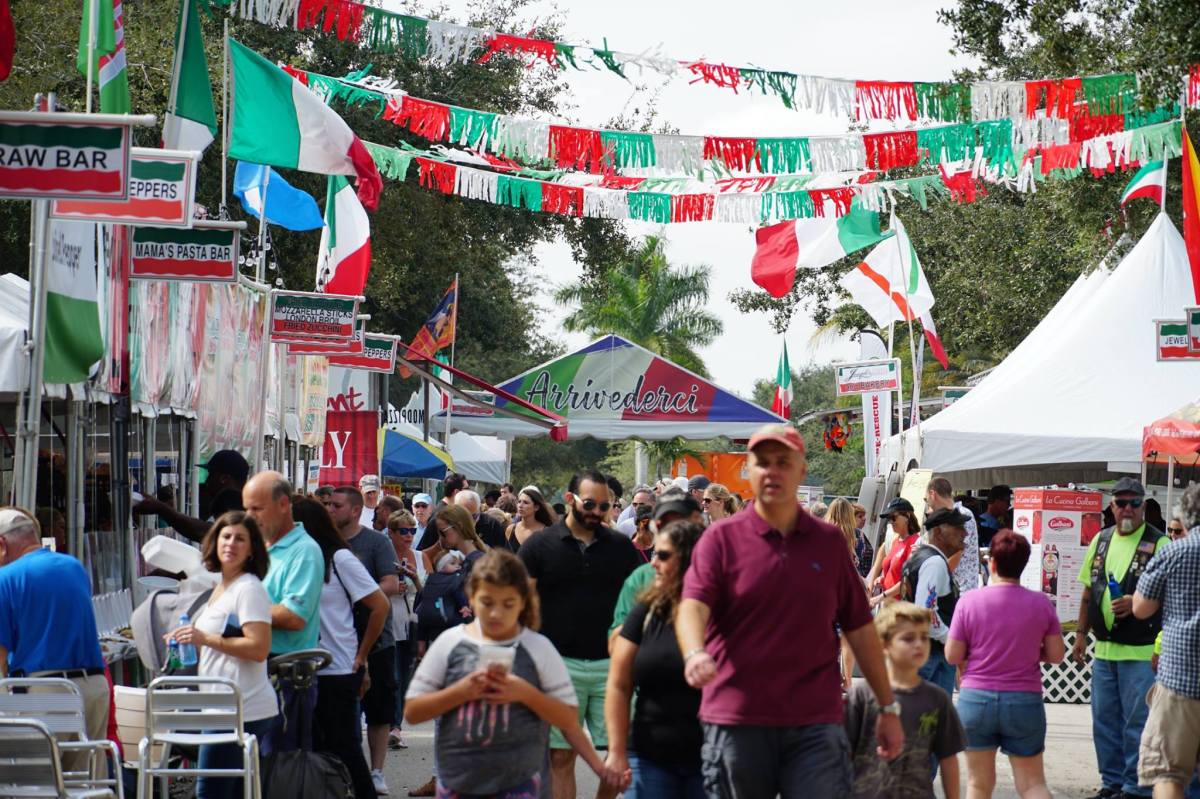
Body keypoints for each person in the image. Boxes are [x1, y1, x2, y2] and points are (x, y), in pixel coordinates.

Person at [676, 424, 903, 797]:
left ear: (800, 469)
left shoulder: (829, 543)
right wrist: (694, 651)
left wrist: (887, 707)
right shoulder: (720, 540)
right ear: (750, 470)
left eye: (783, 462)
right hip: (738, 718)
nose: (773, 470)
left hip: (814, 721)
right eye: (763, 462)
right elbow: (692, 607)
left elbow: (860, 629)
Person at [405, 550, 625, 798]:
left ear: (522, 601)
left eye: (508, 603)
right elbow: (413, 711)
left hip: (523, 786)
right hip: (460, 784)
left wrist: (526, 693)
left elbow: (568, 719)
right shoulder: (450, 643)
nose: (497, 613)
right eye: (487, 602)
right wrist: (461, 691)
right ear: (471, 597)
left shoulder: (538, 647)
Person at [518, 470, 643, 799]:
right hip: (558, 665)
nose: (597, 512)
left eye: (605, 507)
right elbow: (520, 606)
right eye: (590, 503)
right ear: (570, 499)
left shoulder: (620, 547)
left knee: (620, 755)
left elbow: (640, 601)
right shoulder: (538, 546)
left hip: (611, 667)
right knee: (559, 755)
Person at [165, 511, 277, 799]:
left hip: (238, 708)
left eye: (240, 539)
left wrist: (206, 638)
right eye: (226, 537)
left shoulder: (248, 588)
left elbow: (258, 648)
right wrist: (187, 638)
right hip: (221, 704)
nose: (231, 544)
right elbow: (217, 641)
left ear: (252, 548)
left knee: (210, 791)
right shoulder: (222, 586)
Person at [946, 530, 1065, 799]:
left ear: (992, 563)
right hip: (1024, 701)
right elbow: (1057, 655)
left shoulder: (969, 602)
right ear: (1023, 565)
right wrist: (1031, 652)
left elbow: (952, 655)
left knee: (978, 784)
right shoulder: (1041, 604)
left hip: (976, 700)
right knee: (1033, 784)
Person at [1073, 477, 1166, 799]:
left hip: (1141, 651)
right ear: (1111, 506)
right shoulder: (1101, 540)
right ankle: (1112, 782)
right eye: (1121, 502)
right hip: (1105, 651)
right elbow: (1087, 591)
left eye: (1134, 502)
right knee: (1104, 723)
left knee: (1137, 723)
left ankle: (1135, 786)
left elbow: (1171, 597)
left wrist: (1138, 602)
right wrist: (1080, 634)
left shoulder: (1160, 544)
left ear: (1144, 505)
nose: (1127, 508)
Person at [0, 507, 109, 773]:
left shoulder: (5, 579)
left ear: (1, 545)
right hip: (94, 687)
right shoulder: (74, 567)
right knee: (87, 784)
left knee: (36, 782)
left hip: (47, 693)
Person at [292, 497, 387, 799]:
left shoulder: (339, 559)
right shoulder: (298, 559)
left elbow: (379, 606)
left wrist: (362, 656)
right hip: (304, 668)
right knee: (315, 747)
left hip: (339, 667)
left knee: (344, 745)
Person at [605, 521, 706, 799]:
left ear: (689, 559)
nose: (653, 564)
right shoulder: (646, 610)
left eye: (663, 556)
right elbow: (619, 683)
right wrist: (616, 751)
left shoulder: (725, 614)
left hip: (712, 760)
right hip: (649, 758)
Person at [844, 601, 966, 799]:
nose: (919, 644)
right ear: (883, 644)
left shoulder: (937, 699)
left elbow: (948, 758)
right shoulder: (862, 695)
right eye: (908, 638)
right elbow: (843, 753)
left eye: (924, 637)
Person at [328, 486, 402, 796]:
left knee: (379, 709)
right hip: (336, 640)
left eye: (337, 505)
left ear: (356, 510)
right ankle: (341, 771)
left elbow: (391, 582)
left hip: (376, 638)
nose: (330, 509)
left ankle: (376, 771)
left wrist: (360, 591)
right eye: (328, 504)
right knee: (341, 712)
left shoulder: (376, 542)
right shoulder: (323, 542)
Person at [1133, 483, 1200, 799]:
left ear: (1185, 517)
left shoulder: (1174, 551)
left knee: (1168, 772)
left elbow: (1141, 607)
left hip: (1180, 679)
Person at [609, 494, 704, 650]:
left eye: (677, 522)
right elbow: (614, 645)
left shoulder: (713, 573)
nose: (669, 530)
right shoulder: (642, 577)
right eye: (660, 524)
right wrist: (647, 606)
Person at [900, 507, 967, 699]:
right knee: (930, 718)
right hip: (931, 655)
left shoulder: (920, 558)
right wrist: (950, 639)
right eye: (958, 527)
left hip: (921, 651)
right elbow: (925, 612)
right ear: (938, 532)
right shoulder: (935, 563)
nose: (965, 533)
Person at [133, 449, 251, 542]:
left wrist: (161, 509)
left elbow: (205, 532)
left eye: (210, 475)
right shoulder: (232, 503)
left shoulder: (240, 506)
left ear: (224, 478)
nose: (207, 481)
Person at [385, 510, 424, 751]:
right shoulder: (383, 555)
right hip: (387, 621)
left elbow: (426, 592)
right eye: (403, 531)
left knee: (403, 677)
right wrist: (390, 588)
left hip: (411, 623)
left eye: (412, 531)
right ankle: (393, 726)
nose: (409, 535)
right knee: (392, 677)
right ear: (391, 533)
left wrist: (413, 581)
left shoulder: (419, 557)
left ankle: (395, 725)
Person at [927, 476, 981, 594]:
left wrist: (933, 577)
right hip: (954, 588)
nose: (928, 505)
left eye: (926, 500)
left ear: (932, 494)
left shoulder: (961, 514)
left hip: (962, 590)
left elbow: (957, 554)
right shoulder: (952, 516)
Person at [869, 498, 922, 606]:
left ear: (907, 516)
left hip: (901, 607)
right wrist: (882, 579)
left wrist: (880, 597)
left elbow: (907, 581)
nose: (891, 522)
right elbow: (893, 574)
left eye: (893, 517)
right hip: (888, 604)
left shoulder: (915, 542)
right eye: (889, 519)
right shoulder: (896, 541)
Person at [505, 486, 555, 553]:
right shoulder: (510, 529)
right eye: (519, 502)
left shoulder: (546, 532)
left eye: (525, 502)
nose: (520, 505)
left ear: (536, 507)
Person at [852, 503, 874, 580]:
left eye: (864, 516)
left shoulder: (860, 534)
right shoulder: (852, 535)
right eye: (860, 516)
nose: (864, 518)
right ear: (851, 518)